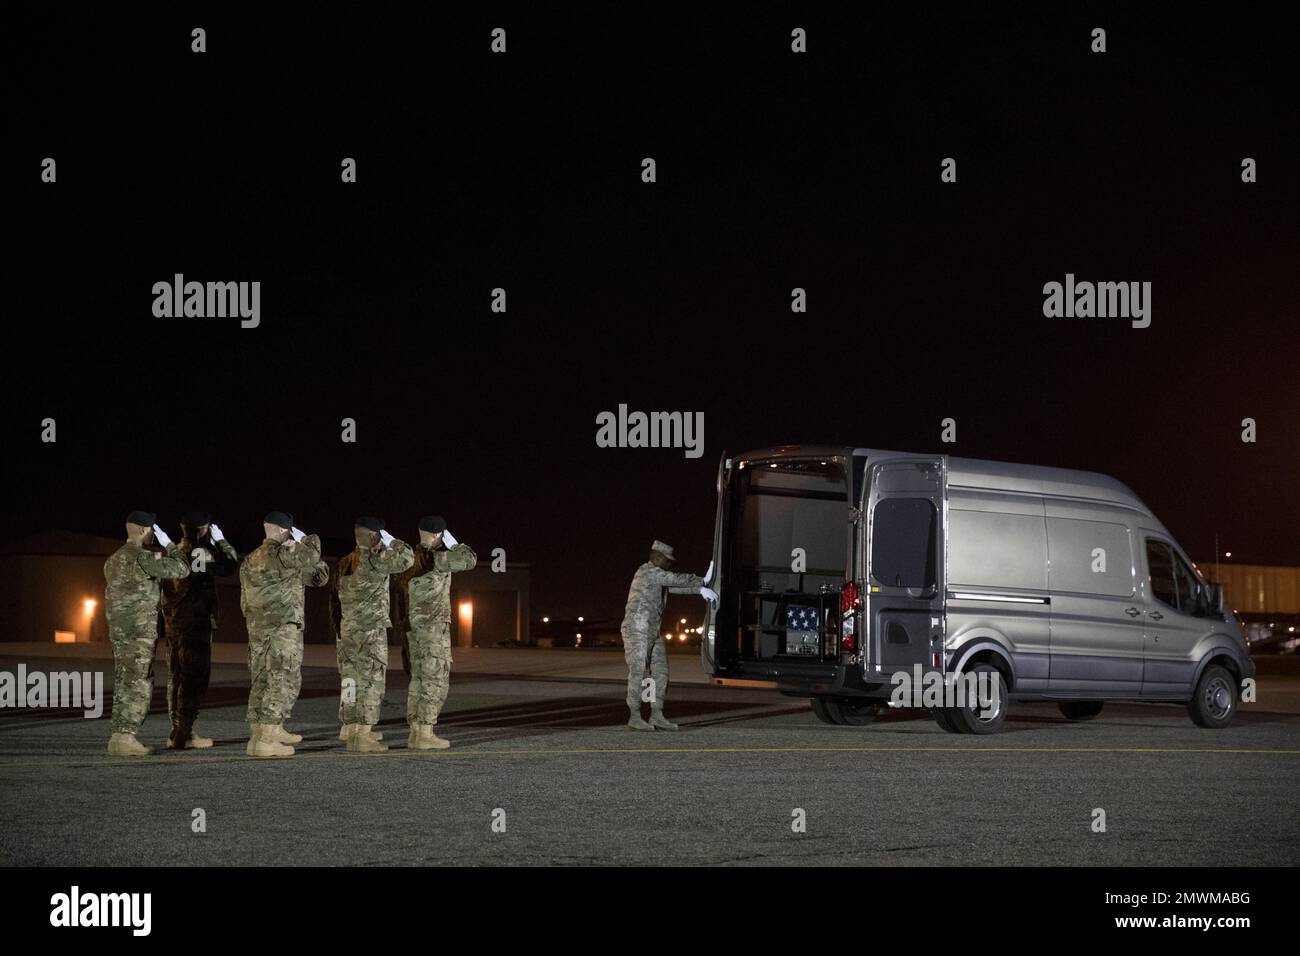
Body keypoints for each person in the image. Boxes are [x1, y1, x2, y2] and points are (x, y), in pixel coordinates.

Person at [239, 512, 329, 758]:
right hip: (282, 629)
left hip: (257, 629)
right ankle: (267, 739)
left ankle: (260, 734)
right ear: (282, 531)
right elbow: (312, 557)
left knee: (261, 680)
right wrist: (305, 538)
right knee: (282, 679)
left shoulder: (250, 559)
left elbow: (317, 577)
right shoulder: (285, 554)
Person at [103, 512, 190, 756]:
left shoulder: (113, 559)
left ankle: (120, 736)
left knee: (124, 682)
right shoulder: (143, 558)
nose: (153, 533)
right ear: (144, 530)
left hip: (119, 631)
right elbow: (181, 568)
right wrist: (170, 545)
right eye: (152, 529)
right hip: (139, 631)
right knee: (138, 682)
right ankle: (125, 737)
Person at [392, 515, 476, 750]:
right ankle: (424, 733)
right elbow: (469, 559)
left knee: (418, 680)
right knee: (434, 680)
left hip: (412, 628)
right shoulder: (435, 559)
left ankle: (416, 731)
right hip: (432, 630)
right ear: (439, 534)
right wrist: (455, 543)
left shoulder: (409, 559)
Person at [330, 516, 413, 752]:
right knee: (371, 682)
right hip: (369, 632)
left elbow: (334, 600)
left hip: (347, 630)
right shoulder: (376, 559)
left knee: (349, 681)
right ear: (375, 535)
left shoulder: (346, 561)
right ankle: (362, 735)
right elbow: (406, 558)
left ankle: (350, 726)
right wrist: (392, 540)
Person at [158, 511, 238, 750]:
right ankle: (183, 732)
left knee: (176, 677)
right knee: (194, 679)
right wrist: (220, 541)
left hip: (174, 625)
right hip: (196, 624)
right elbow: (230, 565)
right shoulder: (201, 553)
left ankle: (178, 729)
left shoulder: (173, 553)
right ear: (202, 529)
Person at [619, 540, 716, 731]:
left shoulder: (657, 577)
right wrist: (702, 580)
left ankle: (657, 715)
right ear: (656, 557)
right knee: (638, 673)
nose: (670, 563)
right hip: (637, 630)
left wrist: (699, 590)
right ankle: (635, 716)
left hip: (652, 631)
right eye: (667, 560)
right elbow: (674, 579)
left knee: (661, 673)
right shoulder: (647, 572)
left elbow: (675, 587)